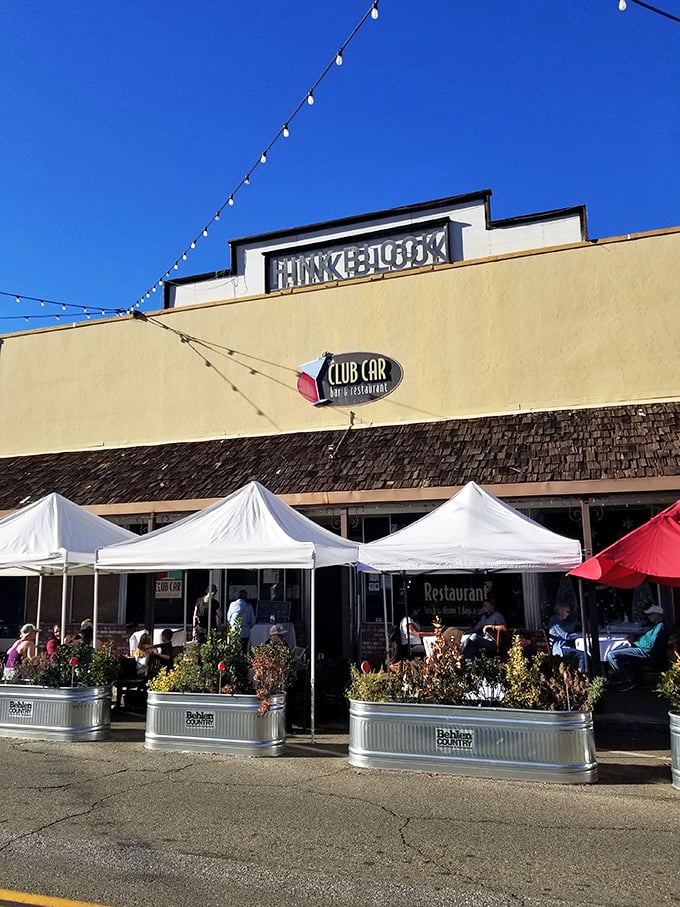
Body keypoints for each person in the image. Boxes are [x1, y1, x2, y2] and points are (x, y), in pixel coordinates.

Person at [606, 603, 670, 691]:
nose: (648, 617)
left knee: (611, 655)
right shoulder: (656, 626)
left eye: (650, 615)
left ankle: (626, 680)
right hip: (645, 650)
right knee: (620, 651)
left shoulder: (660, 627)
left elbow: (650, 645)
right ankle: (630, 678)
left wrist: (635, 641)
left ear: (657, 614)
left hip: (647, 653)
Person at [547, 604, 585, 670]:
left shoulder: (562, 621)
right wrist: (583, 634)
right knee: (583, 655)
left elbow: (570, 628)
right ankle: (582, 674)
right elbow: (566, 636)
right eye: (567, 611)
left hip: (565, 646)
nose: (568, 614)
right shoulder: (554, 621)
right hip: (560, 649)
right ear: (560, 611)